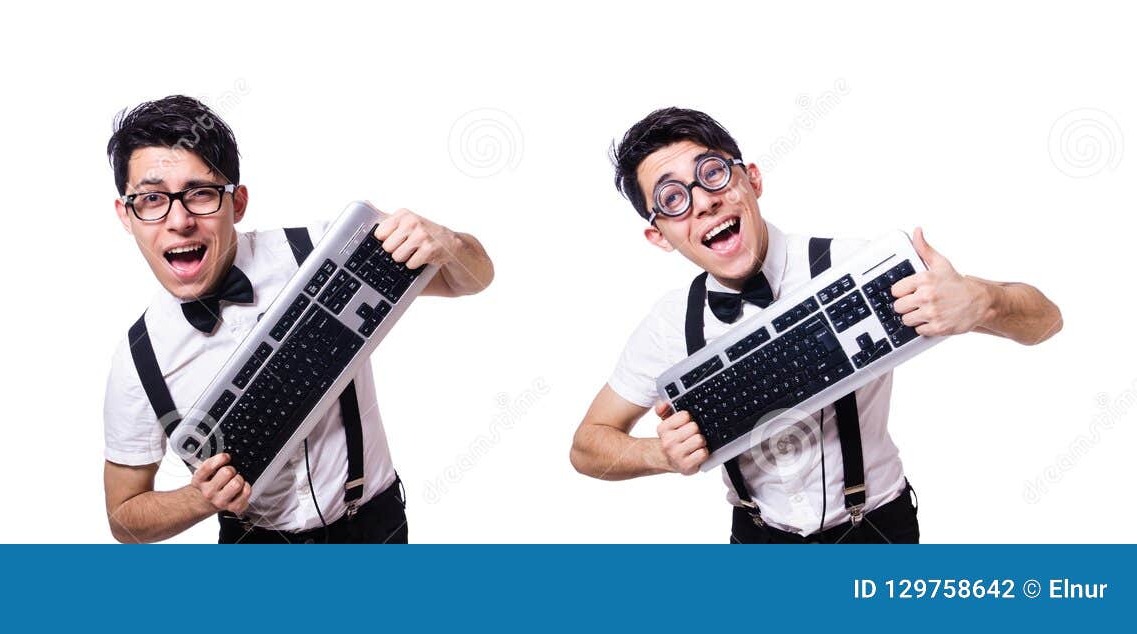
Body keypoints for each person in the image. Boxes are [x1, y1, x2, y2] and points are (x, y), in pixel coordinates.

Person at [570, 107, 1062, 543]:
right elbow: (587, 445)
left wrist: (984, 303)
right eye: (673, 197)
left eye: (713, 173)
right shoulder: (668, 325)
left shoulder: (857, 264)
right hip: (756, 545)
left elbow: (1046, 321)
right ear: (659, 236)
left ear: (752, 180)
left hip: (876, 532)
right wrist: (660, 454)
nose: (702, 202)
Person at [101, 95, 495, 543]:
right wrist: (198, 500)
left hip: (375, 529)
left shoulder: (325, 252)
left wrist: (447, 242)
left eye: (201, 194)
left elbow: (473, 279)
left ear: (239, 202)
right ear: (126, 216)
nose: (179, 220)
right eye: (151, 199)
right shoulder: (139, 359)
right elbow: (124, 517)